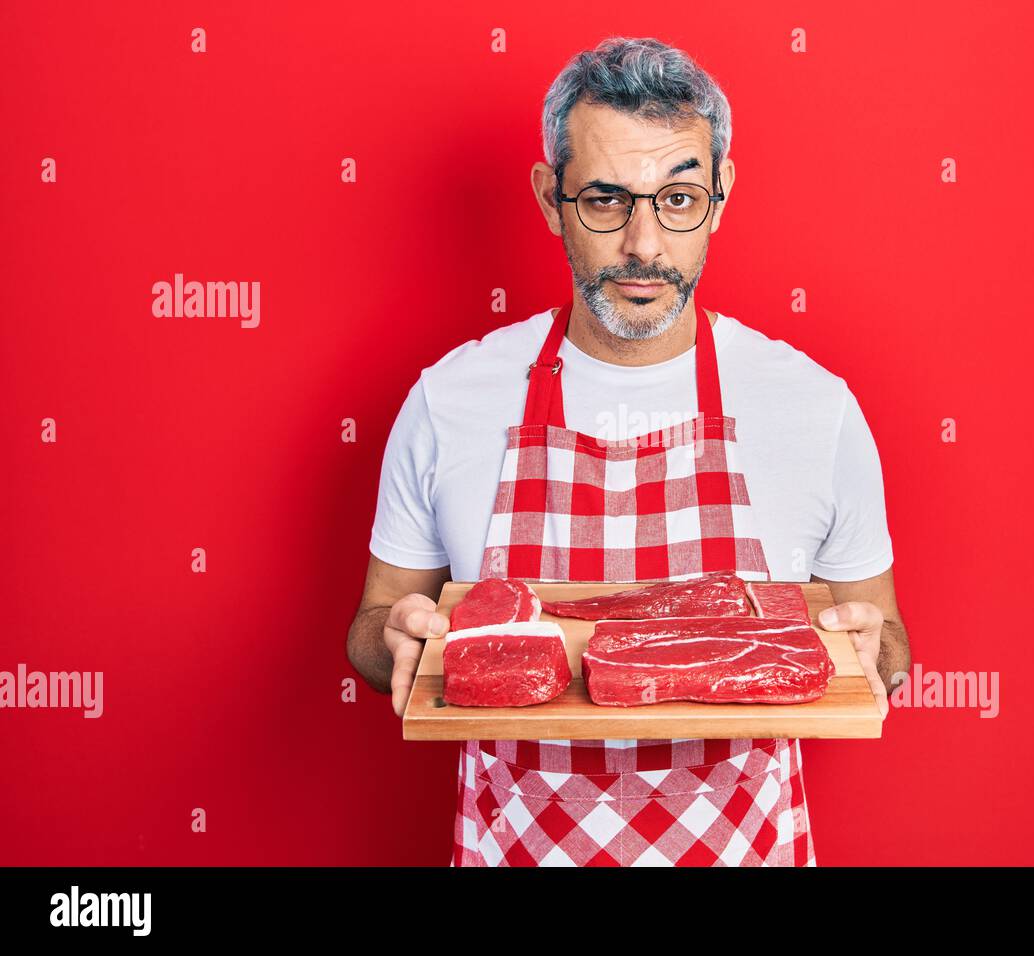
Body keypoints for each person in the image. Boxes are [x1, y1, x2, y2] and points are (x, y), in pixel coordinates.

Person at [347, 36, 911, 866]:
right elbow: (371, 625)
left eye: (678, 199)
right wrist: (397, 638)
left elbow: (889, 637)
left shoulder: (814, 407)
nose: (644, 245)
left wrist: (876, 653)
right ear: (550, 197)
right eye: (607, 201)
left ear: (720, 197)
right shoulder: (449, 399)